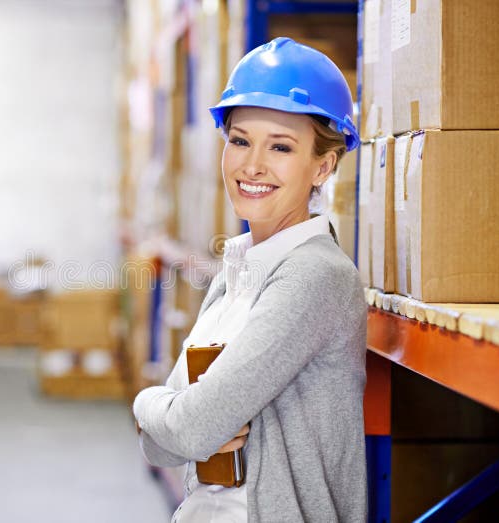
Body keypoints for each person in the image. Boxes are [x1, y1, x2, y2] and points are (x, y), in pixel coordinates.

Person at [132, 37, 367, 522]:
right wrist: (170, 416)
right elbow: (161, 449)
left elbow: (191, 431)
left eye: (281, 147)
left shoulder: (316, 277)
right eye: (240, 140)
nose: (251, 165)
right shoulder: (232, 275)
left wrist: (147, 401)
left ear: (323, 166)